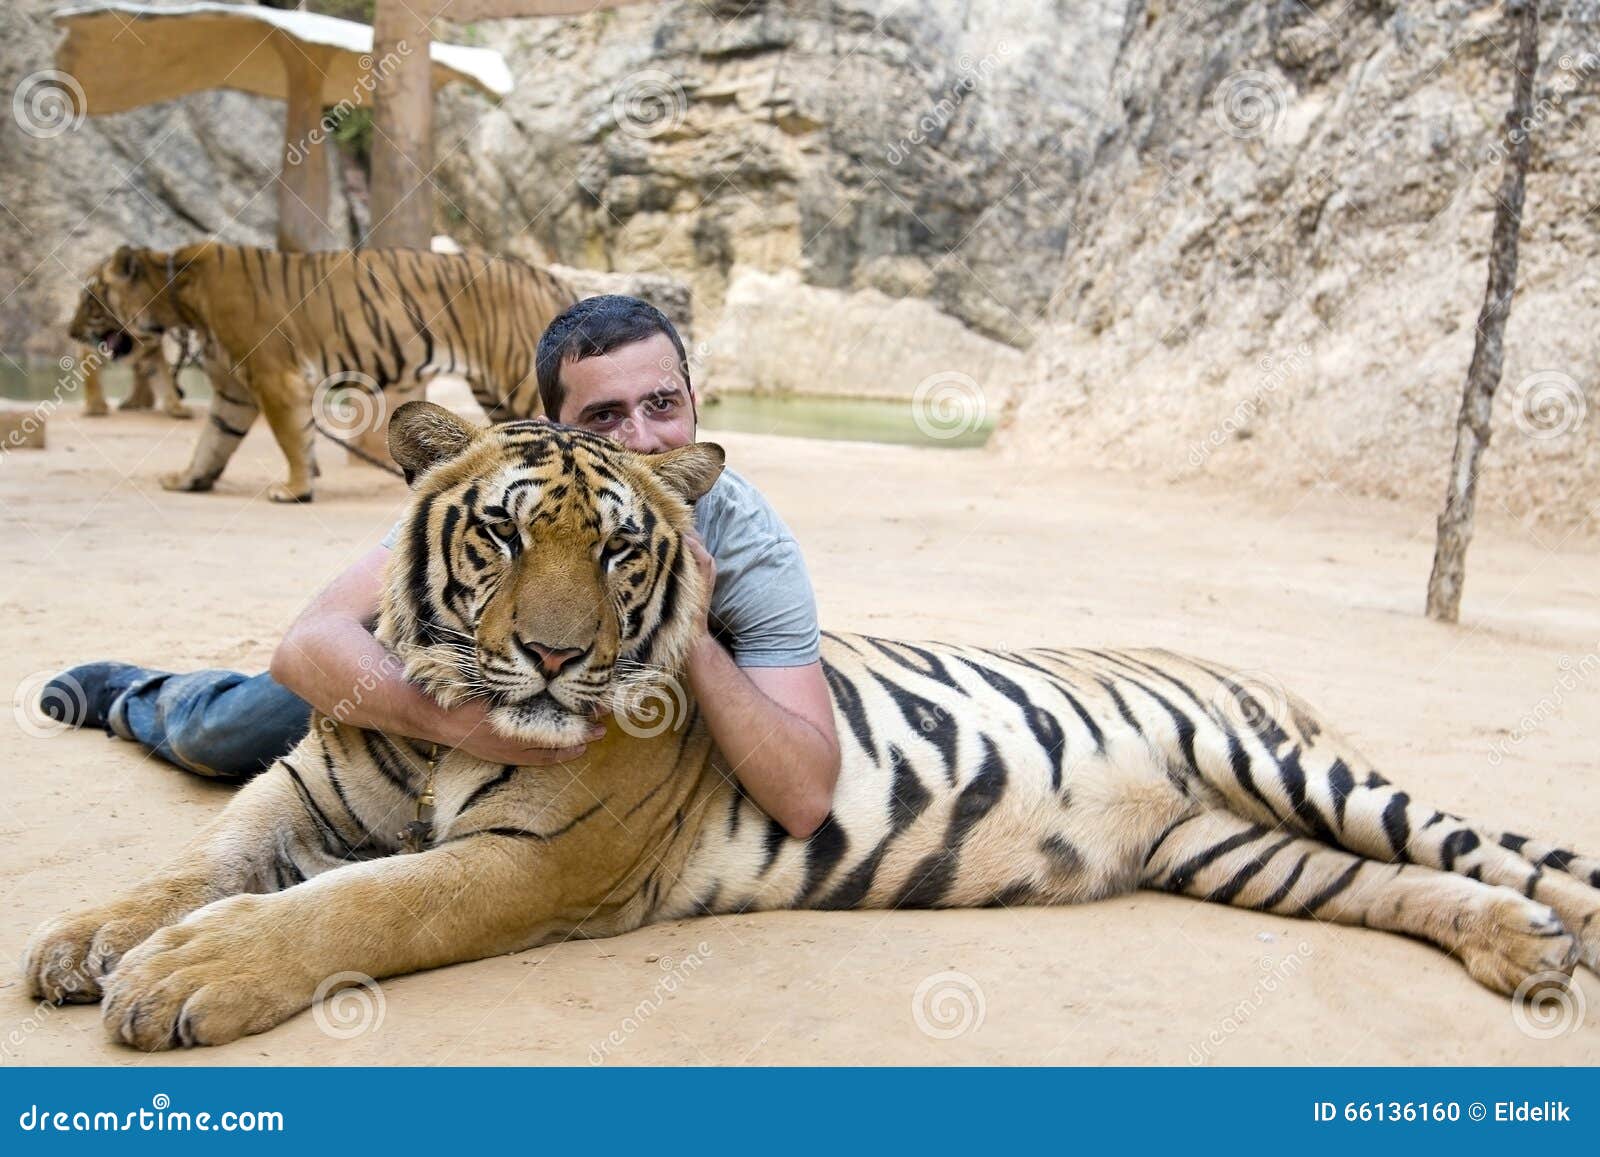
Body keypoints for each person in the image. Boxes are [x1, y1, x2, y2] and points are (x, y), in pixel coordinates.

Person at [40, 296, 840, 839]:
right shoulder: (496, 482)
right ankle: (140, 696)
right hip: (452, 673)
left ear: (693, 400)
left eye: (661, 405)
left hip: (604, 732)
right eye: (602, 417)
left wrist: (690, 627)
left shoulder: (748, 541)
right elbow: (311, 642)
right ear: (547, 426)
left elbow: (804, 798)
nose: (639, 440)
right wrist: (461, 725)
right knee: (227, 733)